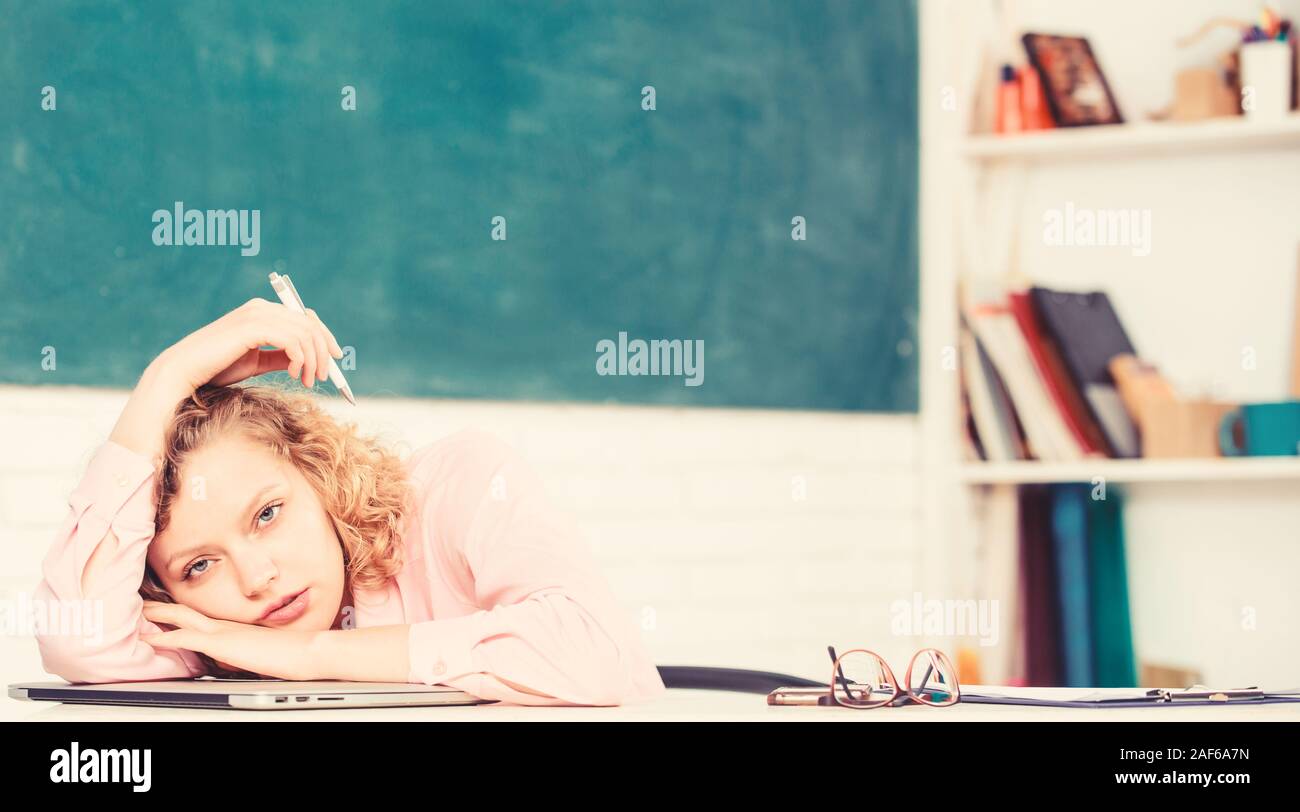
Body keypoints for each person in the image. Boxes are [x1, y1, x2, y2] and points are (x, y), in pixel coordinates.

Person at [32, 297, 667, 706]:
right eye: (199, 565)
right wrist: (165, 378)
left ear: (318, 473)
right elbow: (79, 641)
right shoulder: (217, 635)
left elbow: (593, 652)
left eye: (268, 514)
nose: (257, 579)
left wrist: (309, 657)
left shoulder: (459, 486)